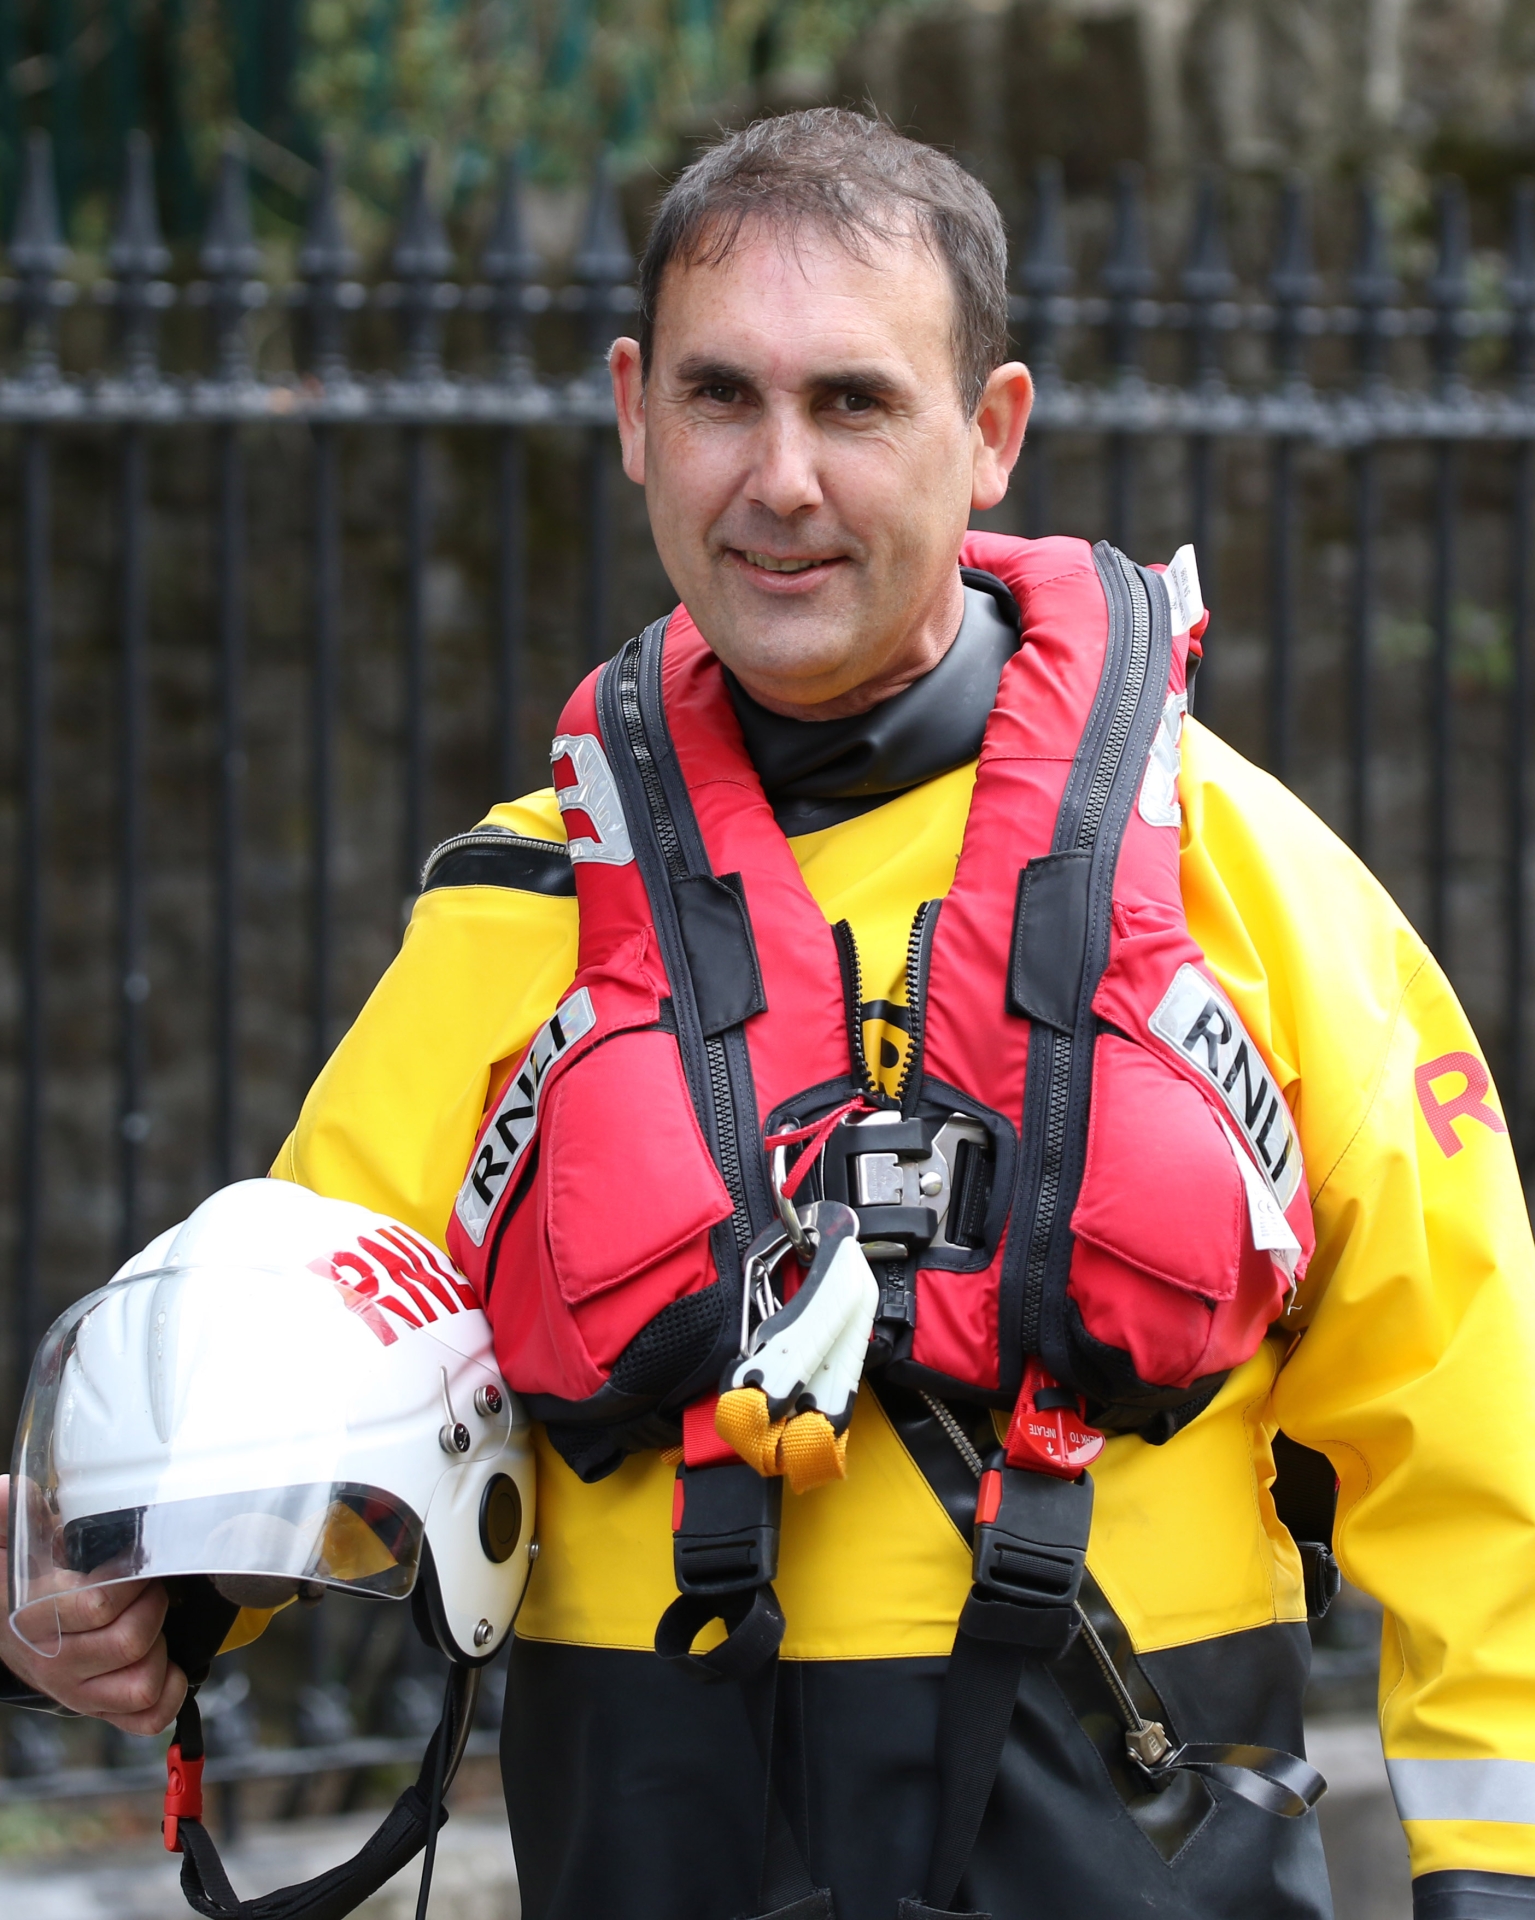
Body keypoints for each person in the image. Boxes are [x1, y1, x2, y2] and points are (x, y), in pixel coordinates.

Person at [6, 108, 1535, 1920]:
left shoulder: (1241, 874)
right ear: (637, 413)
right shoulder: (520, 909)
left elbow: (1474, 1423)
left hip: (1128, 1819)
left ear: (991, 434)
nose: (780, 477)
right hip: (660, 1817)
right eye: (725, 399)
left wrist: (1493, 1872)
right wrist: (139, 1600)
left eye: (856, 404)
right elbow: (310, 1346)